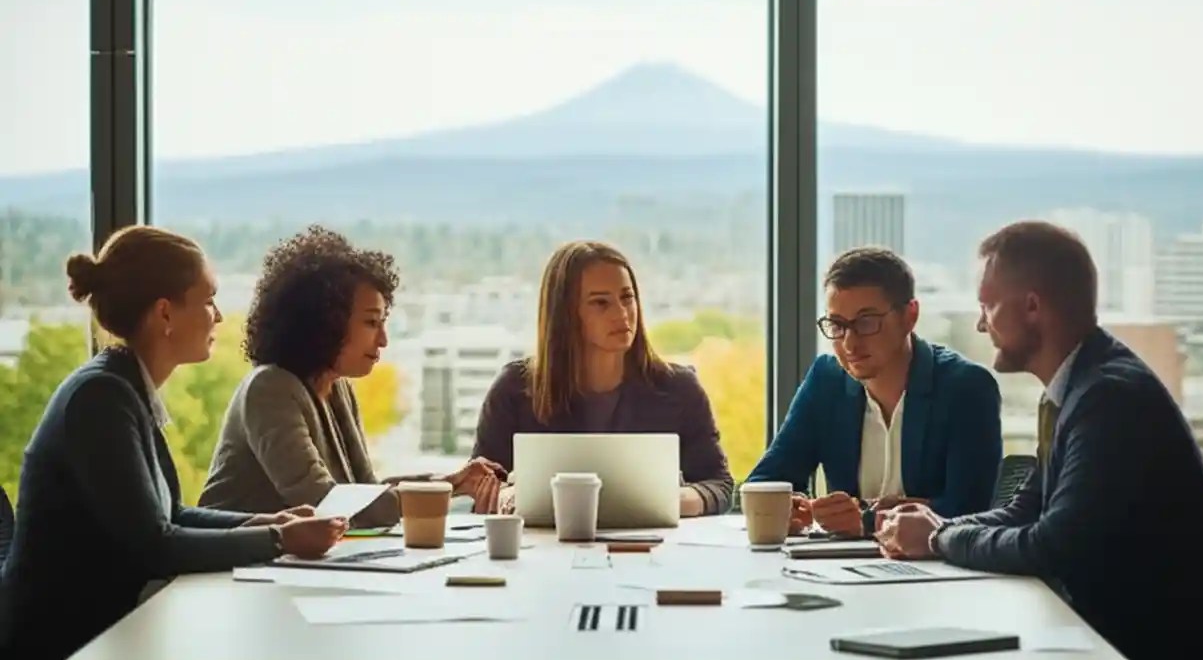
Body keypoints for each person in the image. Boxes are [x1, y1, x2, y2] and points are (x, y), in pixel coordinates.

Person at [875, 221, 1203, 660]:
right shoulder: (1074, 389)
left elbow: (1053, 546)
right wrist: (939, 527)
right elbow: (1026, 510)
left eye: (987, 305)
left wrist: (938, 539)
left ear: (1032, 307)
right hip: (1125, 640)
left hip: (1177, 659)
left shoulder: (1110, 397)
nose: (981, 324)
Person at [0, 226, 345, 660]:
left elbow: (170, 514)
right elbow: (156, 545)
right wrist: (280, 541)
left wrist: (265, 522)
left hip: (106, 634)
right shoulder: (101, 398)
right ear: (165, 313)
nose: (218, 316)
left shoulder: (122, 386)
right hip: (57, 648)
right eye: (208, 300)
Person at [199, 226, 502, 526]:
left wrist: (451, 482)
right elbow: (325, 504)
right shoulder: (270, 389)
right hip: (233, 557)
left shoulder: (337, 387)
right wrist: (443, 490)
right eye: (371, 323)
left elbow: (364, 491)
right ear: (324, 321)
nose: (383, 340)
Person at [745, 247, 1002, 535]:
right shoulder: (827, 380)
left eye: (866, 322)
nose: (850, 344)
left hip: (937, 561)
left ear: (910, 316)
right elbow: (764, 483)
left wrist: (868, 520)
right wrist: (793, 508)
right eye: (837, 325)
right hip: (840, 560)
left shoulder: (966, 388)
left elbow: (971, 511)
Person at [471, 240, 734, 516]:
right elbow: (483, 487)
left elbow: (719, 485)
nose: (621, 314)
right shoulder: (514, 390)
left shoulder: (679, 389)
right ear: (565, 314)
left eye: (627, 297)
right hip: (543, 541)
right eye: (600, 303)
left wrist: (669, 501)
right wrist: (507, 497)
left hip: (652, 541)